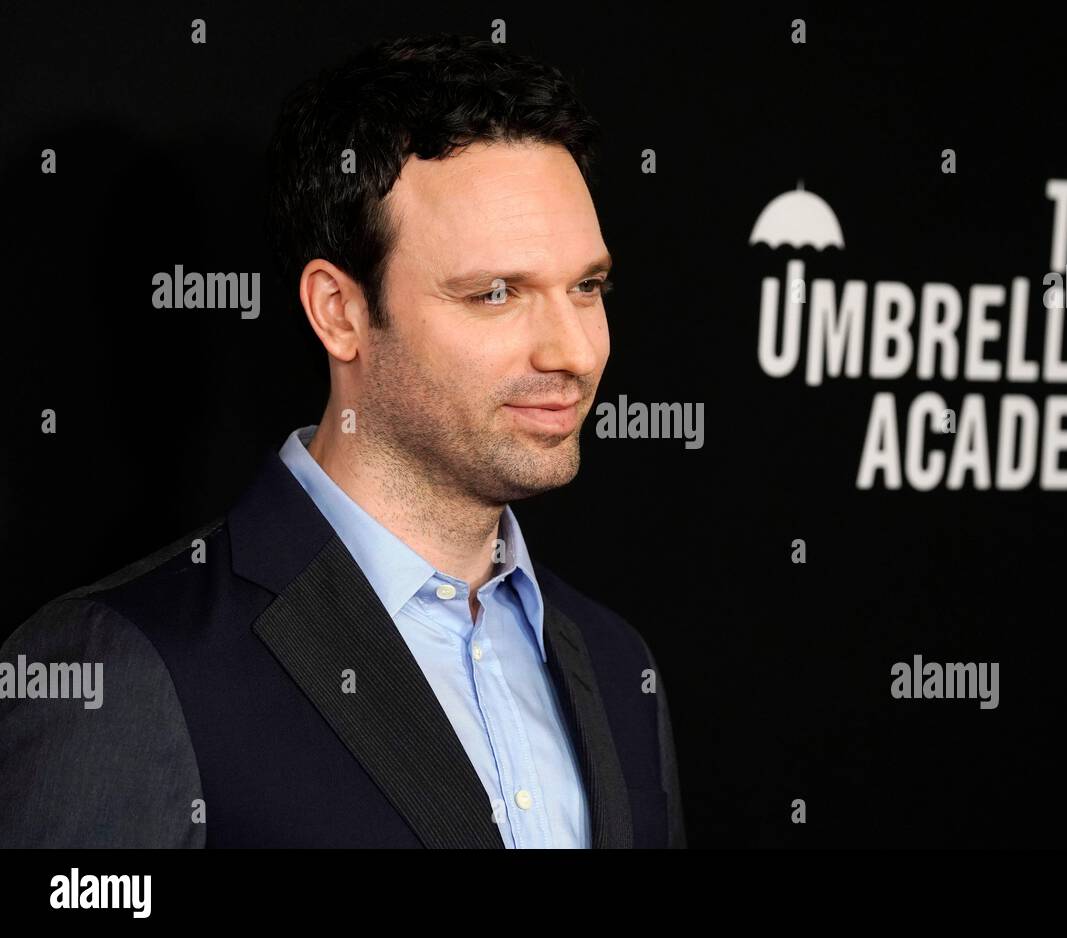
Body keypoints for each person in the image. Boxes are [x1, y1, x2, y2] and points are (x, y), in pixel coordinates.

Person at [0, 33, 685, 849]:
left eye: (587, 287)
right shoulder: (124, 670)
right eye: (496, 294)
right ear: (339, 311)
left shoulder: (615, 666)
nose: (571, 351)